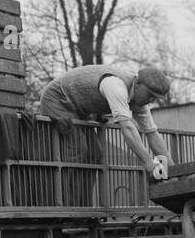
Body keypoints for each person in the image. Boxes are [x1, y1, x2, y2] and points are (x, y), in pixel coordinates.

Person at [36, 63, 173, 178]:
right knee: (78, 149)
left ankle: (84, 205)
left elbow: (152, 134)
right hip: (58, 99)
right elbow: (128, 128)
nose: (151, 101)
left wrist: (172, 171)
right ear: (137, 84)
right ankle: (64, 202)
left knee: (95, 154)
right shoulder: (116, 86)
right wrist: (149, 162)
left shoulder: (139, 102)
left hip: (79, 110)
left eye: (155, 98)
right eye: (150, 95)